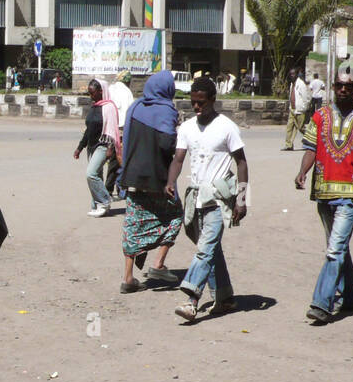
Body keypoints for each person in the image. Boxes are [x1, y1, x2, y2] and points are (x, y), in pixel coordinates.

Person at [294, 74, 353, 324]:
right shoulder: (320, 116)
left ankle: (321, 303)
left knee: (334, 249)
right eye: (339, 85)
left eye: (349, 86)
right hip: (323, 191)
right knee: (338, 247)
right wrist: (302, 171)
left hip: (351, 192)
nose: (344, 89)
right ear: (333, 88)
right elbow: (311, 147)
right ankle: (351, 297)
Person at [167, 76, 248, 323]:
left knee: (205, 249)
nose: (197, 107)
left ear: (213, 100)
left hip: (220, 198)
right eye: (193, 102)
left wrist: (242, 199)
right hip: (196, 197)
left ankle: (192, 299)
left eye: (201, 102)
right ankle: (224, 298)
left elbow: (242, 162)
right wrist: (171, 181)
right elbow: (178, 159)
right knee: (211, 248)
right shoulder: (187, 128)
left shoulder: (227, 127)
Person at [119, 71, 184, 293]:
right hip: (157, 179)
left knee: (133, 224)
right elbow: (167, 144)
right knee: (175, 216)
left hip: (132, 177)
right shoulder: (166, 110)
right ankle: (158, 264)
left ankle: (128, 278)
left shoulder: (135, 107)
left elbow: (125, 140)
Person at [73, 79, 119, 217]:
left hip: (103, 145)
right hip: (91, 147)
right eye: (89, 93)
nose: (90, 96)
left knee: (91, 174)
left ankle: (105, 201)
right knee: (97, 175)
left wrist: (110, 147)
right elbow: (89, 130)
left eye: (92, 93)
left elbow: (111, 129)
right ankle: (97, 205)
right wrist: (80, 147)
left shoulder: (109, 107)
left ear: (101, 91)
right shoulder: (94, 106)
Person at [106, 70, 135, 197]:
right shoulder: (128, 92)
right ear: (128, 81)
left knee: (112, 160)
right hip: (124, 130)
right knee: (122, 160)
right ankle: (121, 189)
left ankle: (108, 189)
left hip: (111, 129)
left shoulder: (111, 89)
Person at [284, 68, 311, 150]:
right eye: (291, 74)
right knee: (289, 127)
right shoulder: (292, 84)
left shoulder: (301, 84)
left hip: (299, 110)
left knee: (301, 128)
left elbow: (306, 97)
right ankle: (288, 145)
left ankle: (311, 141)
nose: (292, 76)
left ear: (297, 74)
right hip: (292, 109)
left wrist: (304, 108)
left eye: (293, 74)